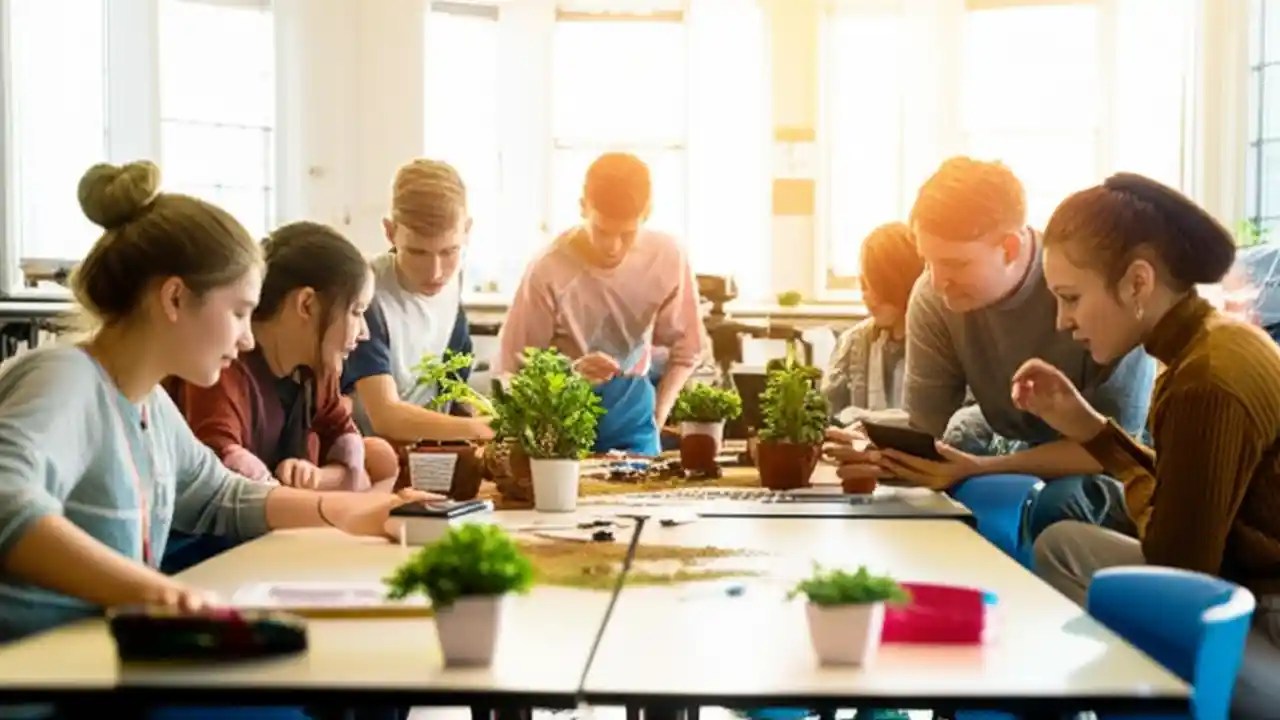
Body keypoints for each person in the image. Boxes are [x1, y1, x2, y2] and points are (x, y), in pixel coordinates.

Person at [0, 160, 435, 647]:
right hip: (32, 683)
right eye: (239, 312)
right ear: (175, 298)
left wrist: (359, 513)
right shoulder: (65, 379)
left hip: (96, 670)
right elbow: (6, 504)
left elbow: (221, 495)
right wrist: (161, 595)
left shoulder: (151, 408)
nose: (248, 338)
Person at [1015, 173, 1280, 718]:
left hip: (1262, 623)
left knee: (1069, 551)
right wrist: (1088, 426)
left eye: (1071, 298)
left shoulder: (1205, 379)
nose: (1063, 322)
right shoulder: (1214, 342)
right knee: (1064, 543)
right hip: (1247, 596)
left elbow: (1178, 572)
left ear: (1137, 283)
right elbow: (1189, 496)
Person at [828, 157, 1155, 540]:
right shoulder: (933, 298)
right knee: (920, 497)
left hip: (1125, 466)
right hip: (1014, 448)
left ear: (1010, 248)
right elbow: (927, 430)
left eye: (955, 263)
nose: (937, 280)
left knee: (1060, 505)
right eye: (928, 261)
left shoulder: (1090, 281)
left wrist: (980, 467)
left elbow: (1114, 450)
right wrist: (876, 453)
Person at [495, 152, 703, 456]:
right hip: (563, 420)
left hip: (634, 410)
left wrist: (655, 420)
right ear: (582, 208)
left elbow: (687, 350)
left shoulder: (669, 257)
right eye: (601, 231)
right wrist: (569, 376)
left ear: (648, 213)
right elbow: (513, 370)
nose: (612, 247)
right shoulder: (547, 269)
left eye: (627, 233)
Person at [171, 221, 399, 492]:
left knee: (381, 455)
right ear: (306, 304)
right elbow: (227, 483)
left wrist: (319, 478)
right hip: (232, 528)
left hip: (280, 509)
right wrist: (328, 484)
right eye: (356, 312)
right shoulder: (221, 368)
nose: (364, 333)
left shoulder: (316, 371)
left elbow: (350, 451)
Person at [340, 159, 492, 444]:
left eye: (449, 252)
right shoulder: (367, 295)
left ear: (467, 230)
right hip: (367, 462)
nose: (435, 272)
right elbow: (385, 417)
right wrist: (485, 429)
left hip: (432, 459)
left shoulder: (451, 287)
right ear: (390, 231)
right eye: (417, 253)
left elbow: (455, 393)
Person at [821, 222, 924, 427]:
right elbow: (826, 413)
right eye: (865, 285)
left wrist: (861, 417)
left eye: (879, 285)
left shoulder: (942, 342)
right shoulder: (853, 342)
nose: (869, 297)